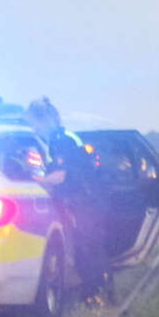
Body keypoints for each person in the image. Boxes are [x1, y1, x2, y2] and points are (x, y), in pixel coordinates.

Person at [24, 98, 111, 305]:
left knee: (88, 249)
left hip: (84, 202)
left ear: (45, 120)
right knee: (88, 249)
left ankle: (97, 295)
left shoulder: (61, 142)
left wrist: (35, 183)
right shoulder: (61, 139)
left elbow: (60, 176)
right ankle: (97, 292)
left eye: (34, 123)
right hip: (85, 200)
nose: (33, 129)